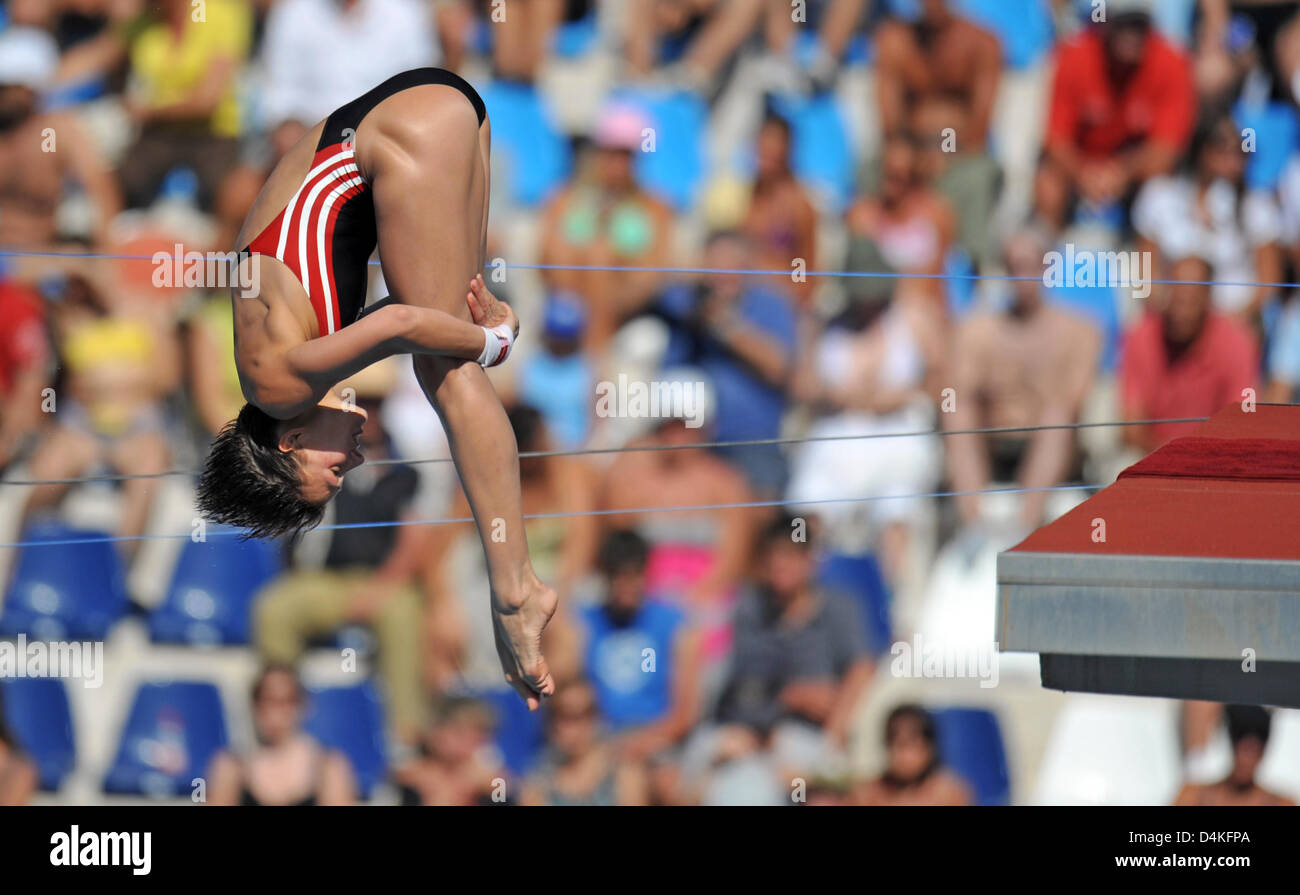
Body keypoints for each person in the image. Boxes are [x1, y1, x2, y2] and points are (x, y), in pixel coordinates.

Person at [194, 68, 557, 710]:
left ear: (291, 444)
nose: (355, 460)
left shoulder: (276, 386)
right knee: (452, 345)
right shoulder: (279, 364)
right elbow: (395, 312)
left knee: (444, 367)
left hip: (404, 130)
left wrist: (496, 343)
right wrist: (482, 332)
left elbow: (401, 323)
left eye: (332, 473)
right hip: (431, 110)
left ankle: (515, 590)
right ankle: (516, 587)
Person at [944, 229, 1102, 530]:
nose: (1022, 277)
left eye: (1030, 266)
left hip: (1055, 449)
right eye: (1014, 267)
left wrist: (1031, 387)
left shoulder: (1080, 331)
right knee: (956, 411)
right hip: (994, 444)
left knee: (1058, 414)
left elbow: (1076, 398)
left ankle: (1025, 525)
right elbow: (955, 389)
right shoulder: (978, 330)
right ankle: (974, 526)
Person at [1119, 253, 1258, 451]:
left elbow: (1243, 421)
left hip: (1215, 457)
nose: (1180, 313)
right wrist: (1175, 457)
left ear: (1207, 300)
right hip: (1151, 454)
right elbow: (1131, 428)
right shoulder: (1140, 336)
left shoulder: (1238, 342)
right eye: (1176, 299)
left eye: (1189, 302)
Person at [207, 666, 357, 806]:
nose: (275, 713)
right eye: (268, 700)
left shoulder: (328, 767)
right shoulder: (231, 767)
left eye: (286, 702)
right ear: (254, 705)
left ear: (304, 706)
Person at [1174, 705, 1295, 806]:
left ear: (1262, 752)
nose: (1247, 760)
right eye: (1244, 751)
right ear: (1233, 747)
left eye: (1254, 751)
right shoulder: (1194, 796)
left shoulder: (1281, 803)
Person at [853, 704, 972, 806]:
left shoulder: (949, 794)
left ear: (928, 749)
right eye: (895, 745)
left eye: (909, 746)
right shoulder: (870, 793)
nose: (902, 756)